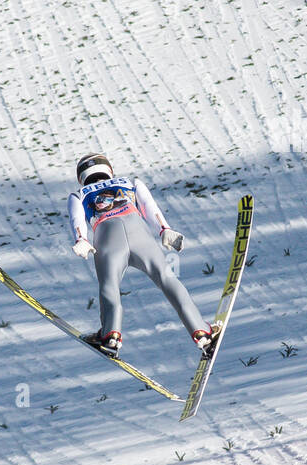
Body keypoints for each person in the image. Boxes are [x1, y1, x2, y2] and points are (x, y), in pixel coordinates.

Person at [67, 153, 212, 357]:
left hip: (107, 236)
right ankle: (200, 330)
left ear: (81, 176)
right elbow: (149, 207)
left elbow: (77, 219)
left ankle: (110, 335)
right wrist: (164, 229)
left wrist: (81, 239)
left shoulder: (79, 194)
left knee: (110, 286)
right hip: (139, 233)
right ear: (108, 170)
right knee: (166, 277)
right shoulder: (131, 182)